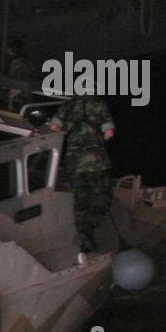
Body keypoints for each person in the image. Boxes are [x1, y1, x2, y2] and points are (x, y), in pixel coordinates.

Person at [48, 96, 115, 252]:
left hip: (74, 163)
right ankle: (92, 229)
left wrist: (69, 133)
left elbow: (53, 127)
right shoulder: (99, 105)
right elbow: (109, 133)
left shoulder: (67, 105)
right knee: (100, 199)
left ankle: (85, 237)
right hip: (97, 163)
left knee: (80, 202)